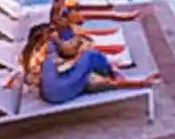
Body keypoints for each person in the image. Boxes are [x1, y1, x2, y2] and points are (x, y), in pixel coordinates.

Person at [13, 24, 157, 105]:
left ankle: (119, 76)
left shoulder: (27, 54)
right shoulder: (47, 51)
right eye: (52, 33)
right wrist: (80, 54)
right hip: (59, 91)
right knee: (90, 56)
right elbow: (65, 67)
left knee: (89, 72)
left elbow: (33, 76)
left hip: (49, 93)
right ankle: (115, 74)